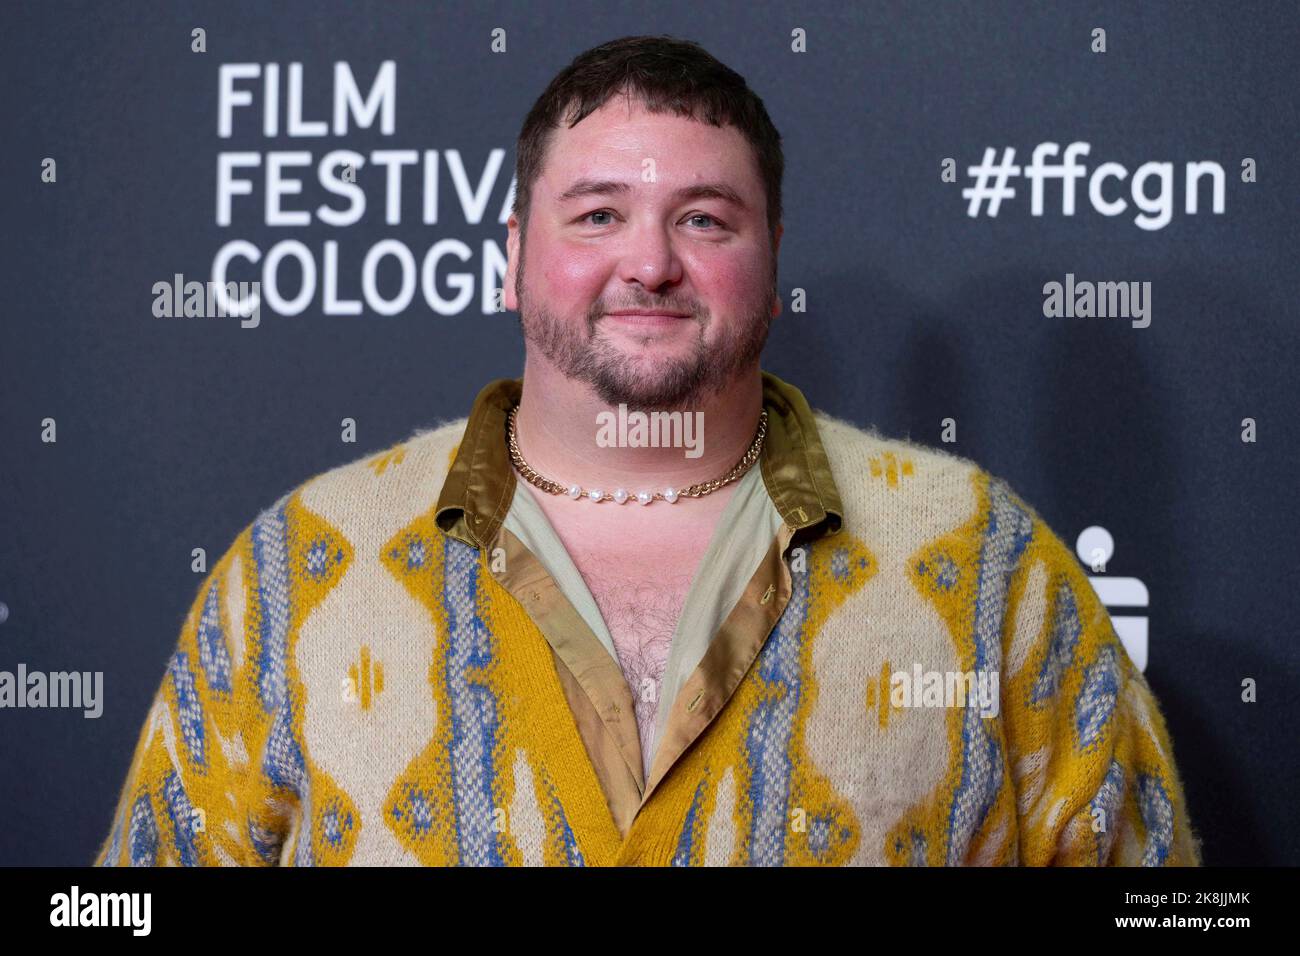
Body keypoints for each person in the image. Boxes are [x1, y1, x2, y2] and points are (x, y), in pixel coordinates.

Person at [95, 34, 1200, 867]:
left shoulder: (983, 559)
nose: (651, 263)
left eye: (706, 219)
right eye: (596, 215)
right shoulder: (295, 570)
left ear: (770, 271)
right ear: (512, 258)